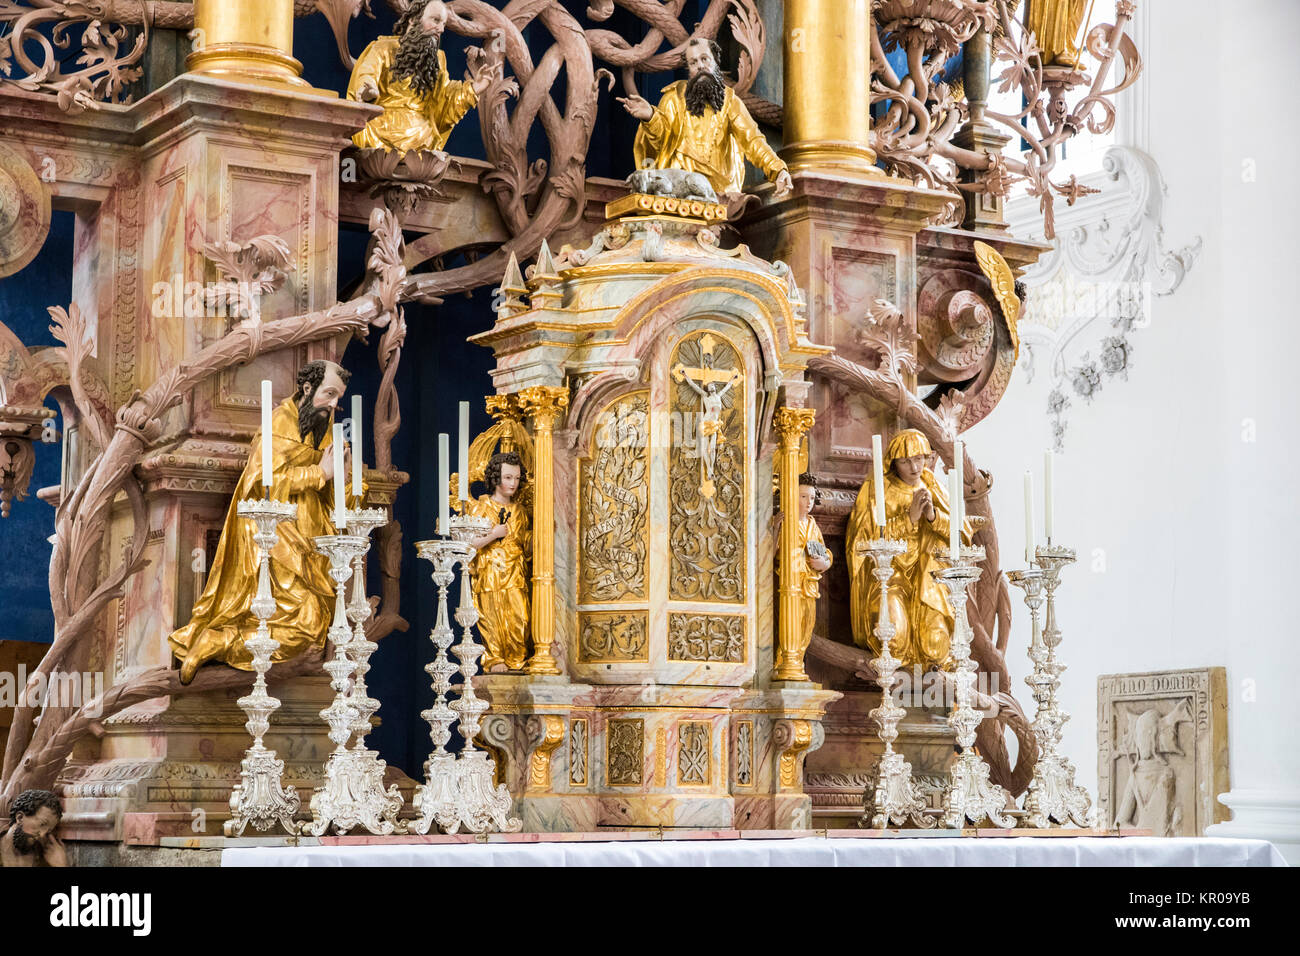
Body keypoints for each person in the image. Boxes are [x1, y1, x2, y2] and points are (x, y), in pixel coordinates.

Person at [169, 360, 358, 684]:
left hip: (311, 540)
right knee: (301, 624)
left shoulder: (323, 428)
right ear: (308, 387)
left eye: (338, 397)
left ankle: (222, 641)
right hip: (276, 536)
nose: (334, 404)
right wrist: (319, 473)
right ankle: (218, 641)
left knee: (312, 628)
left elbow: (337, 492)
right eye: (329, 394)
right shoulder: (281, 423)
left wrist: (346, 474)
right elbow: (261, 482)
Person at [845, 429, 972, 671]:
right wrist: (909, 518)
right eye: (905, 461)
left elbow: (962, 534)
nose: (914, 467)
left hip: (928, 578)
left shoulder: (935, 488)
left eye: (919, 459)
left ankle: (931, 681)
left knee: (937, 644)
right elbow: (863, 542)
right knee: (894, 636)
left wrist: (933, 517)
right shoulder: (878, 490)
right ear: (894, 463)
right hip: (890, 578)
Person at [618, 37, 794, 198]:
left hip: (719, 193)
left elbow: (753, 141)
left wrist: (777, 170)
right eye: (694, 62)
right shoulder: (673, 98)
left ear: (716, 62)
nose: (700, 66)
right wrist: (650, 116)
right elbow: (662, 142)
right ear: (689, 69)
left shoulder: (731, 102)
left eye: (704, 59)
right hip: (678, 191)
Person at [347, 0, 496, 153]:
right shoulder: (382, 48)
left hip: (423, 138)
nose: (441, 29)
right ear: (414, 19)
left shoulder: (437, 60)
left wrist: (474, 88)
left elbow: (445, 100)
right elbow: (367, 72)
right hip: (380, 132)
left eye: (443, 23)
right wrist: (368, 87)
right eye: (436, 20)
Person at [465, 452, 533, 672]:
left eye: (516, 478)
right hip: (489, 572)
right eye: (507, 477)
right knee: (491, 615)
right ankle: (494, 658)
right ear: (496, 479)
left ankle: (517, 658)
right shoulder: (482, 508)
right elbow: (469, 543)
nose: (513, 483)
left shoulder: (520, 511)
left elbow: (525, 542)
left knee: (520, 617)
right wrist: (493, 534)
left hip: (515, 571)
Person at [0, 789, 67, 867]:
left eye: (48, 831)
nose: (42, 835)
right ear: (20, 818)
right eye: (42, 824)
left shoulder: (43, 857)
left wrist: (61, 864)